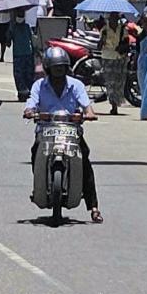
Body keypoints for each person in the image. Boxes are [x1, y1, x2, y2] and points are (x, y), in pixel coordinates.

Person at [23, 45, 101, 221]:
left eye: (62, 67)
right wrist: (30, 111)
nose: (58, 71)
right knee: (35, 153)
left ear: (67, 68)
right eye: (55, 68)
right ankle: (40, 188)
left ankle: (94, 206)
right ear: (48, 68)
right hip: (46, 131)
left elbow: (86, 105)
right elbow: (31, 102)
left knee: (85, 161)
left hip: (71, 131)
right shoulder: (39, 85)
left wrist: (89, 113)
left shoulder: (76, 85)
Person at [100, 12, 129, 115]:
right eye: (112, 18)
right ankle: (113, 105)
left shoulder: (123, 29)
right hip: (108, 57)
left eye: (116, 18)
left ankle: (116, 103)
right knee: (110, 83)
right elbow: (99, 46)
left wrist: (122, 45)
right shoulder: (104, 29)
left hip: (119, 57)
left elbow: (127, 43)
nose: (114, 20)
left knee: (119, 83)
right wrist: (102, 39)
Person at [8, 6, 37, 101]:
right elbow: (33, 41)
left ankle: (24, 92)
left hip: (21, 54)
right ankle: (26, 92)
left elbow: (8, 43)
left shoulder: (19, 27)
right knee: (26, 74)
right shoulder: (18, 28)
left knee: (22, 74)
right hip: (25, 54)